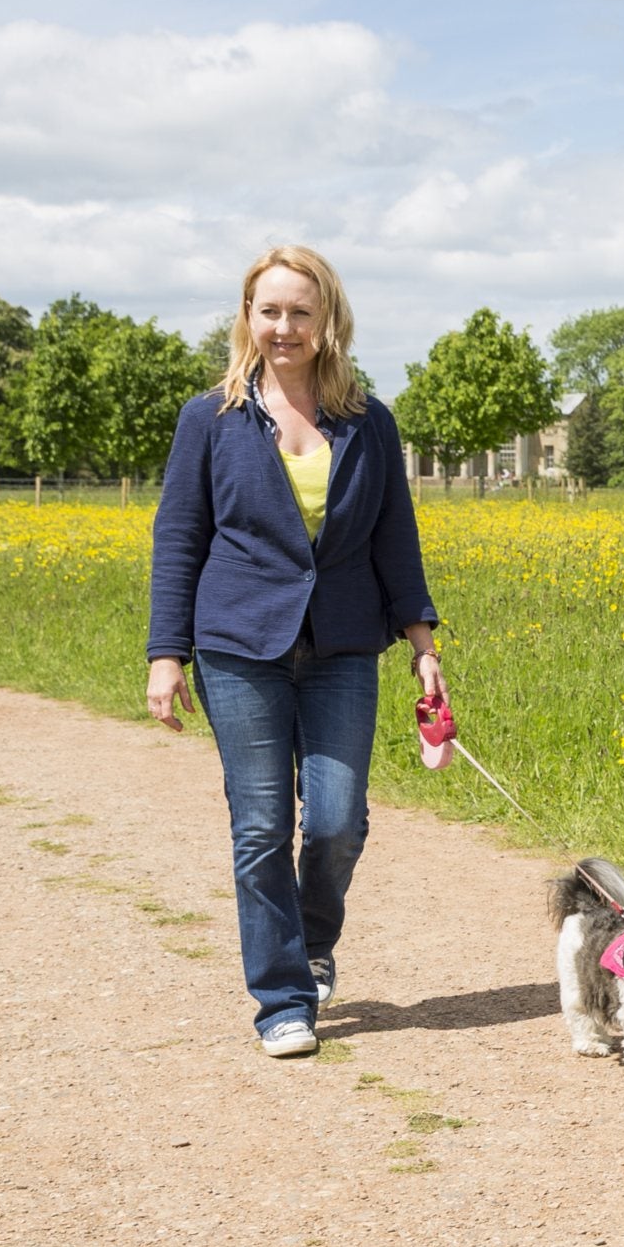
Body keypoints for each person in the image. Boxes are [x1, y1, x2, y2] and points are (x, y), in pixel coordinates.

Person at [144, 245, 443, 1058]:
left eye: (299, 312)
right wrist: (166, 653)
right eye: (269, 310)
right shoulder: (209, 418)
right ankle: (281, 998)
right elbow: (179, 537)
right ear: (248, 317)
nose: (284, 326)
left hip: (344, 643)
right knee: (262, 827)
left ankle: (312, 941)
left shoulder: (369, 420)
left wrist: (421, 643)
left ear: (327, 319)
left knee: (340, 822)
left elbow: (395, 537)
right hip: (239, 645)